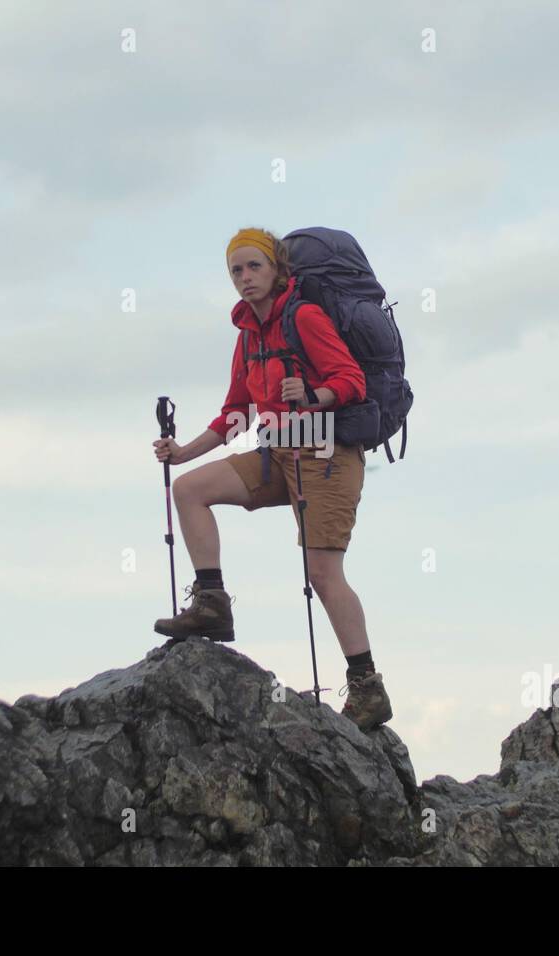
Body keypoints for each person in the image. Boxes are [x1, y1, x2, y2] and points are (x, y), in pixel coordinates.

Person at [150, 227, 393, 731]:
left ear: (277, 270)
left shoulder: (304, 317)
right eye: (236, 270)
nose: (244, 278)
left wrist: (311, 395)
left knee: (322, 573)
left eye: (253, 267)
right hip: (279, 451)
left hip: (326, 452)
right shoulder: (248, 335)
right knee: (190, 489)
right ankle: (213, 604)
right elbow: (235, 414)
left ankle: (368, 687)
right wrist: (182, 454)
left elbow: (350, 380)